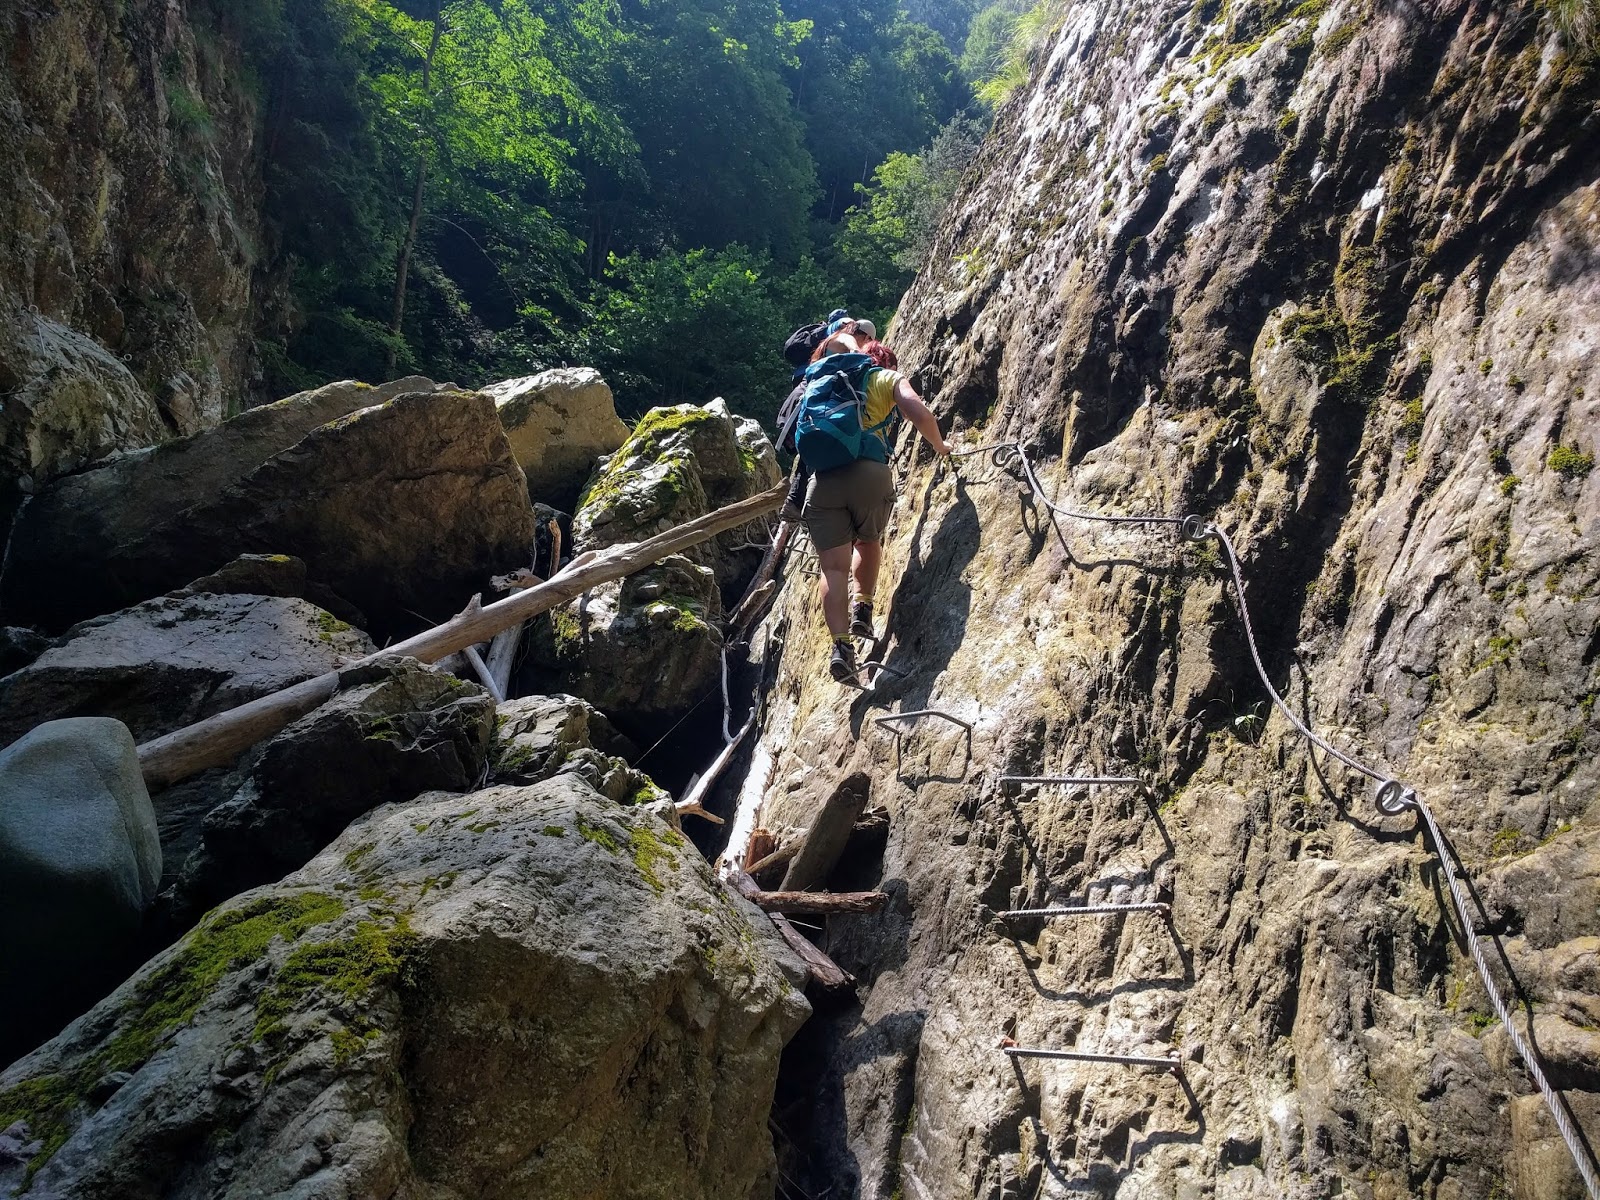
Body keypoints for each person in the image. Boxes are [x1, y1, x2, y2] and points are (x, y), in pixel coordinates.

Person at [800, 333, 950, 682]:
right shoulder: (883, 377)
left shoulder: (819, 383)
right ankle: (862, 608)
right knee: (868, 542)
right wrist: (941, 447)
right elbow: (918, 413)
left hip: (822, 483)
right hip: (870, 473)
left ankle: (840, 647)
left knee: (832, 570)